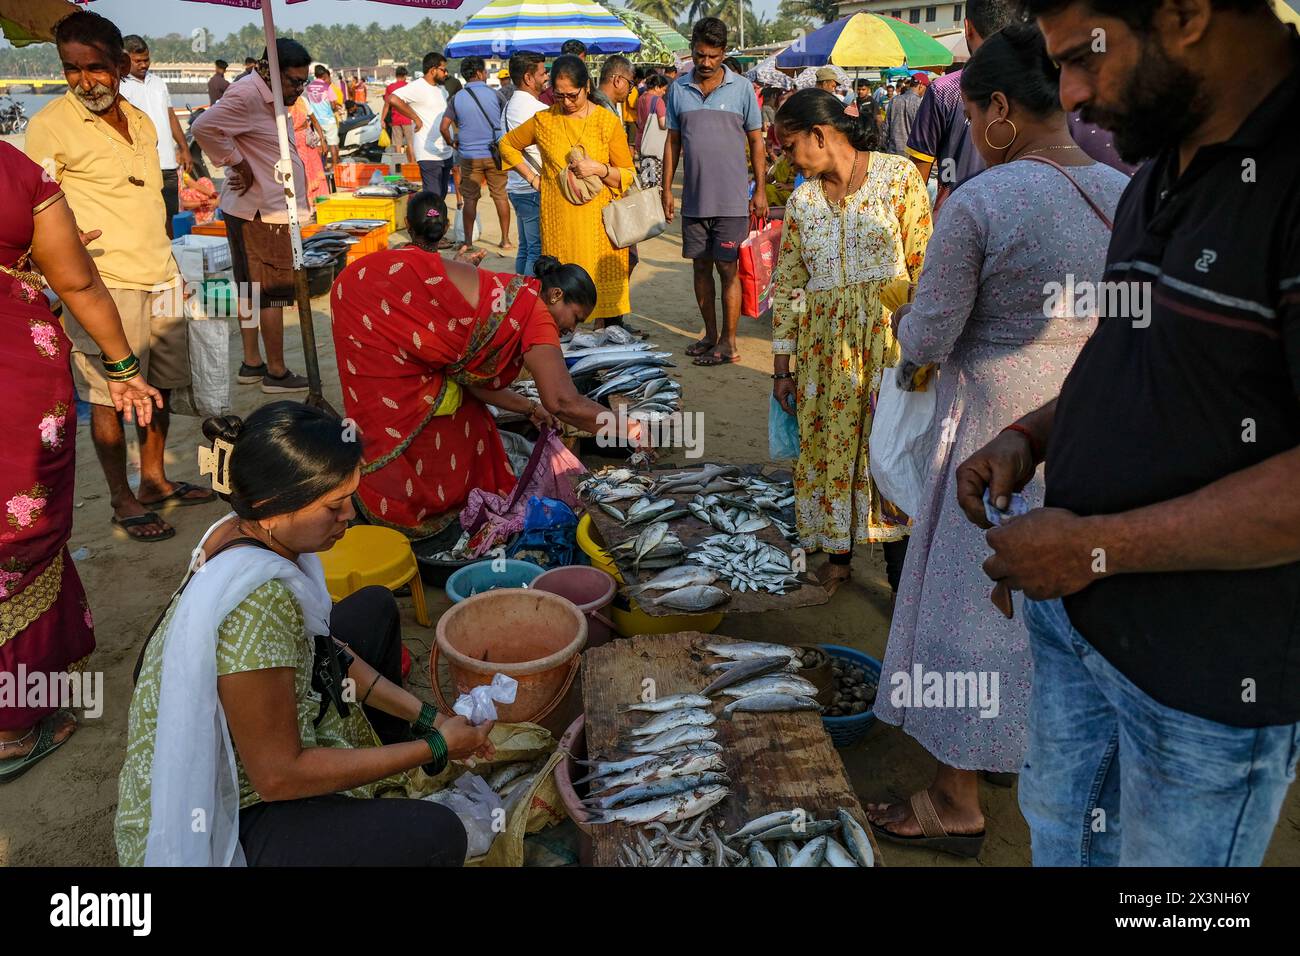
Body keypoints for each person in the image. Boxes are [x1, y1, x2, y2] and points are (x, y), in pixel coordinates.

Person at [958, 0, 1300, 868]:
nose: (1068, 95)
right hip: (1081, 629)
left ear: (1186, 13)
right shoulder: (1161, 161)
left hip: (1204, 683)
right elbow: (1130, 349)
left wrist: (1097, 549)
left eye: (1084, 58)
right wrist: (1034, 433)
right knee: (1064, 844)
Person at [865, 22, 1130, 858]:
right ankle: (1024, 753)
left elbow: (927, 341)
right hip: (1088, 431)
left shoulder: (981, 202)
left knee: (973, 608)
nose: (974, 131)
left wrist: (903, 322)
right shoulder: (1126, 196)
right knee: (1057, 610)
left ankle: (956, 796)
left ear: (1003, 111)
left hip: (991, 435)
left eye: (977, 114)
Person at [114, 402, 495, 865]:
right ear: (273, 508)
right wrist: (434, 747)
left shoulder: (246, 529)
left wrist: (428, 718)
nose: (350, 515)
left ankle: (387, 766)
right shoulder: (259, 602)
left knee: (373, 606)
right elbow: (277, 776)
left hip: (262, 729)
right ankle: (382, 786)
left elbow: (326, 651)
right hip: (235, 805)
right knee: (438, 836)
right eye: (334, 505)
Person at [330, 193, 640, 538]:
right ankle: (396, 511)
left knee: (472, 418)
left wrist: (528, 407)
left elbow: (471, 381)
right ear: (555, 296)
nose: (572, 330)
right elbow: (563, 401)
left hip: (380, 280)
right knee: (394, 408)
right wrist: (628, 429)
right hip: (371, 297)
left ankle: (450, 506)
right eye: (575, 318)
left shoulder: (522, 297)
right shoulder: (536, 314)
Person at [0, 142, 162, 781]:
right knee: (13, 538)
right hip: (13, 383)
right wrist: (123, 367)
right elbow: (78, 279)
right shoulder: (15, 171)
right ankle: (11, 724)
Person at [26, 10, 215, 546]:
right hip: (101, 287)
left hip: (160, 271)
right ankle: (121, 496)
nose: (84, 81)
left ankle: (153, 480)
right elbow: (33, 205)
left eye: (95, 69)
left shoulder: (141, 119)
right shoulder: (49, 126)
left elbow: (147, 194)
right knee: (111, 395)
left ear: (119, 64)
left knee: (159, 387)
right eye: (71, 69)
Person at [769, 89, 931, 594]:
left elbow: (925, 266)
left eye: (790, 145)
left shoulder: (899, 178)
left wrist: (927, 346)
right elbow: (791, 286)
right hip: (823, 354)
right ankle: (837, 560)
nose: (786, 158)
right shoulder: (802, 200)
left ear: (820, 136)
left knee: (892, 450)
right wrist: (782, 366)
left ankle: (900, 575)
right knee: (828, 453)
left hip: (889, 345)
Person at [191, 38, 314, 394]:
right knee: (271, 292)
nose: (299, 88)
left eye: (303, 81)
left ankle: (252, 362)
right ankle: (275, 371)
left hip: (253, 207)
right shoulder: (247, 95)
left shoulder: (268, 93)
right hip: (264, 211)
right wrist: (237, 163)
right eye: (294, 81)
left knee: (249, 287)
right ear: (271, 72)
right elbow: (203, 127)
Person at [500, 55, 636, 328]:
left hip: (598, 229)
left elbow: (628, 173)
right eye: (559, 96)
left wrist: (598, 169)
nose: (567, 102)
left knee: (601, 307)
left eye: (573, 95)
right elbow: (506, 145)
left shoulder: (606, 123)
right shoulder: (543, 120)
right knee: (557, 305)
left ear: (587, 87)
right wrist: (532, 178)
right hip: (558, 226)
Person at [663, 17, 767, 367]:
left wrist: (761, 191)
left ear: (724, 53)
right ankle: (709, 335)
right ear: (692, 48)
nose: (705, 63)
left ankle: (729, 341)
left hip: (732, 201)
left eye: (713, 56)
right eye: (699, 55)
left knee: (728, 269)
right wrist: (666, 190)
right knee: (699, 269)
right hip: (694, 200)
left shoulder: (742, 90)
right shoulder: (677, 89)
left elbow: (756, 140)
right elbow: (672, 142)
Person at [120, 35, 192, 239]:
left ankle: (170, 256)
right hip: (141, 165)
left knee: (169, 214)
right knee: (146, 217)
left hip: (168, 163)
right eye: (138, 61)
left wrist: (184, 148)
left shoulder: (158, 83)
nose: (144, 65)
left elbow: (170, 115)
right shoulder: (121, 86)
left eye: (146, 60)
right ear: (125, 59)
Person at [441, 57, 512, 255]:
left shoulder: (457, 98)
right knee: (500, 195)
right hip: (494, 154)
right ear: (481, 73)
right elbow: (507, 120)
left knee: (470, 199)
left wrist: (451, 143)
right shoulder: (495, 95)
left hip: (469, 156)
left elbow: (444, 127)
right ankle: (505, 240)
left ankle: (468, 241)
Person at [501, 51, 548, 276]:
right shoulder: (536, 110)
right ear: (529, 78)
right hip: (532, 187)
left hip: (517, 186)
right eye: (543, 72)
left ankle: (520, 294)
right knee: (535, 251)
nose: (546, 77)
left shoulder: (510, 105)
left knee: (525, 248)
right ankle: (528, 299)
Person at [387, 53, 453, 200]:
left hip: (445, 151)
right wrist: (415, 118)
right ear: (433, 70)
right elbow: (393, 99)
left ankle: (437, 221)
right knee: (433, 196)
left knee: (441, 195)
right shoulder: (418, 86)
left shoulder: (442, 90)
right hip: (428, 151)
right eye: (443, 69)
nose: (446, 73)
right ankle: (431, 222)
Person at [289, 94, 329, 203]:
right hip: (293, 142)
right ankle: (307, 203)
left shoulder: (303, 100)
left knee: (316, 169)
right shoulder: (280, 103)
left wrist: (322, 140)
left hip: (308, 140)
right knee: (303, 172)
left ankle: (320, 202)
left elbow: (314, 121)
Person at [305, 65, 342, 170]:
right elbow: (333, 105)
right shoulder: (327, 86)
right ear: (324, 75)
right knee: (333, 144)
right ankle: (335, 166)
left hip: (316, 122)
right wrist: (335, 109)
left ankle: (322, 166)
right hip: (329, 120)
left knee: (321, 144)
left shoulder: (309, 87)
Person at [636, 74, 669, 191]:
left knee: (646, 182)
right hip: (653, 146)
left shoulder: (641, 98)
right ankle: (654, 207)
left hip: (641, 143)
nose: (664, 93)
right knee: (655, 184)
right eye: (663, 89)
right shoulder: (657, 101)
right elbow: (662, 124)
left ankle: (647, 207)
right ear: (656, 87)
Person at [884, 74, 926, 155]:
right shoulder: (920, 104)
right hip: (912, 153)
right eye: (925, 87)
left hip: (893, 151)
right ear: (921, 85)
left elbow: (885, 127)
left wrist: (883, 148)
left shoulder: (894, 100)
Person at [540, 39, 588, 106]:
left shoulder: (591, 94)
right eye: (560, 96)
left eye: (580, 64)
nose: (567, 102)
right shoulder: (548, 97)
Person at [382, 65, 414, 163]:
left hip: (395, 119)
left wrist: (382, 119)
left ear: (396, 75)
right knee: (411, 143)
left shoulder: (390, 88)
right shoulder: (409, 86)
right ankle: (413, 164)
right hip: (408, 118)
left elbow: (386, 105)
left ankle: (399, 165)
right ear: (405, 76)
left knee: (397, 144)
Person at [592, 54, 634, 120]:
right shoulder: (605, 111)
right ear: (617, 80)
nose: (631, 90)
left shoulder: (591, 101)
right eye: (630, 84)